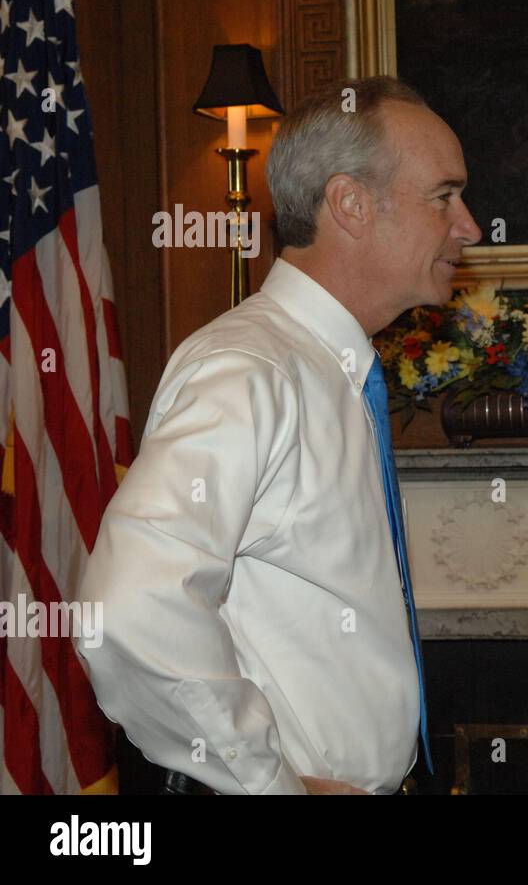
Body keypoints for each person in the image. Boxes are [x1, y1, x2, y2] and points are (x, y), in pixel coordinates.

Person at [76, 76, 482, 794]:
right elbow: (127, 607)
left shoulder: (331, 368)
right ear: (351, 203)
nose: (469, 226)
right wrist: (269, 785)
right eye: (443, 197)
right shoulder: (249, 369)